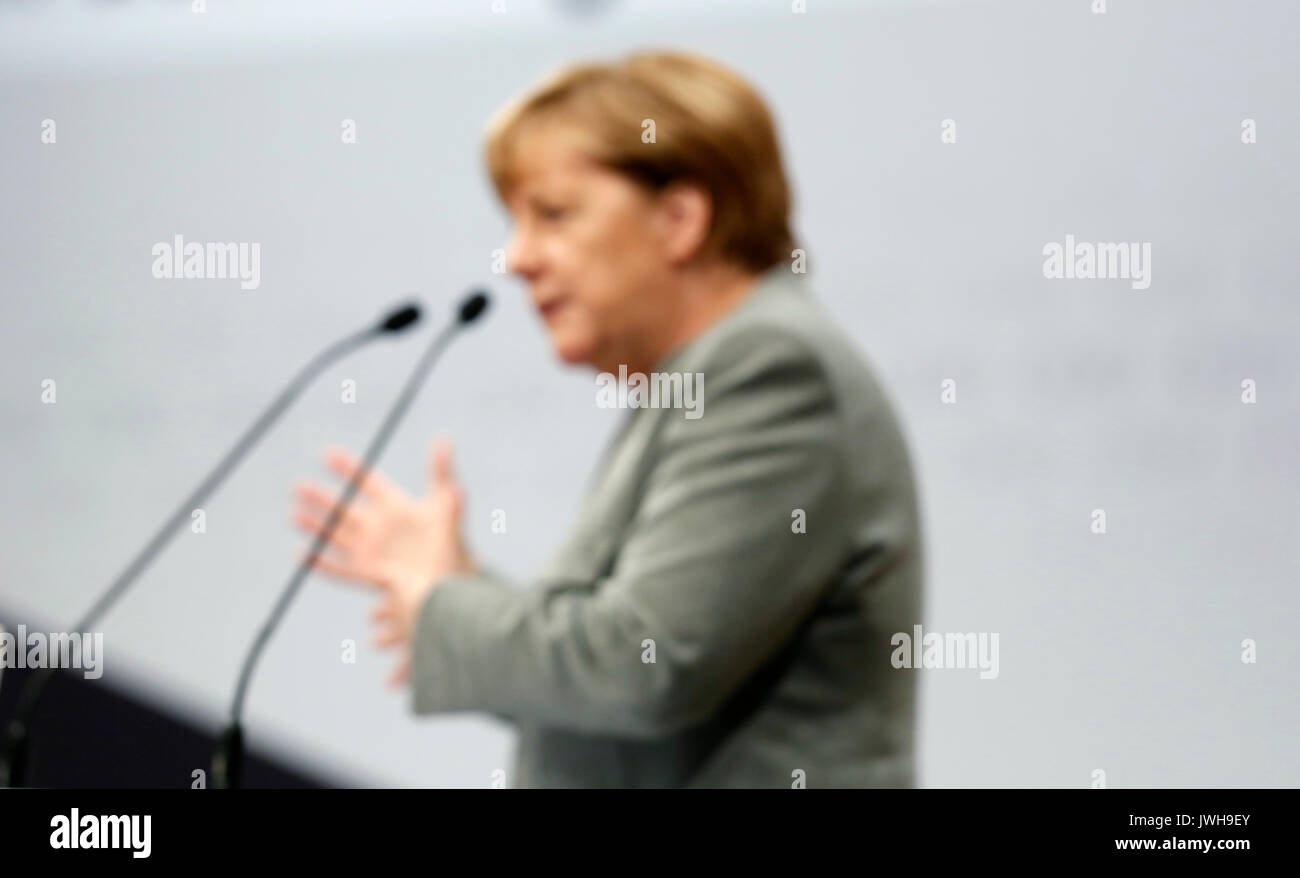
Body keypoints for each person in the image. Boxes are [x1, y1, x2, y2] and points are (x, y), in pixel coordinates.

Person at [291, 50, 924, 788]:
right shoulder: (696, 378)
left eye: (553, 215)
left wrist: (444, 604)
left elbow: (645, 666)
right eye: (514, 223)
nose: (516, 259)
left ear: (680, 219)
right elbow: (622, 684)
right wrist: (462, 593)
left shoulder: (767, 368)